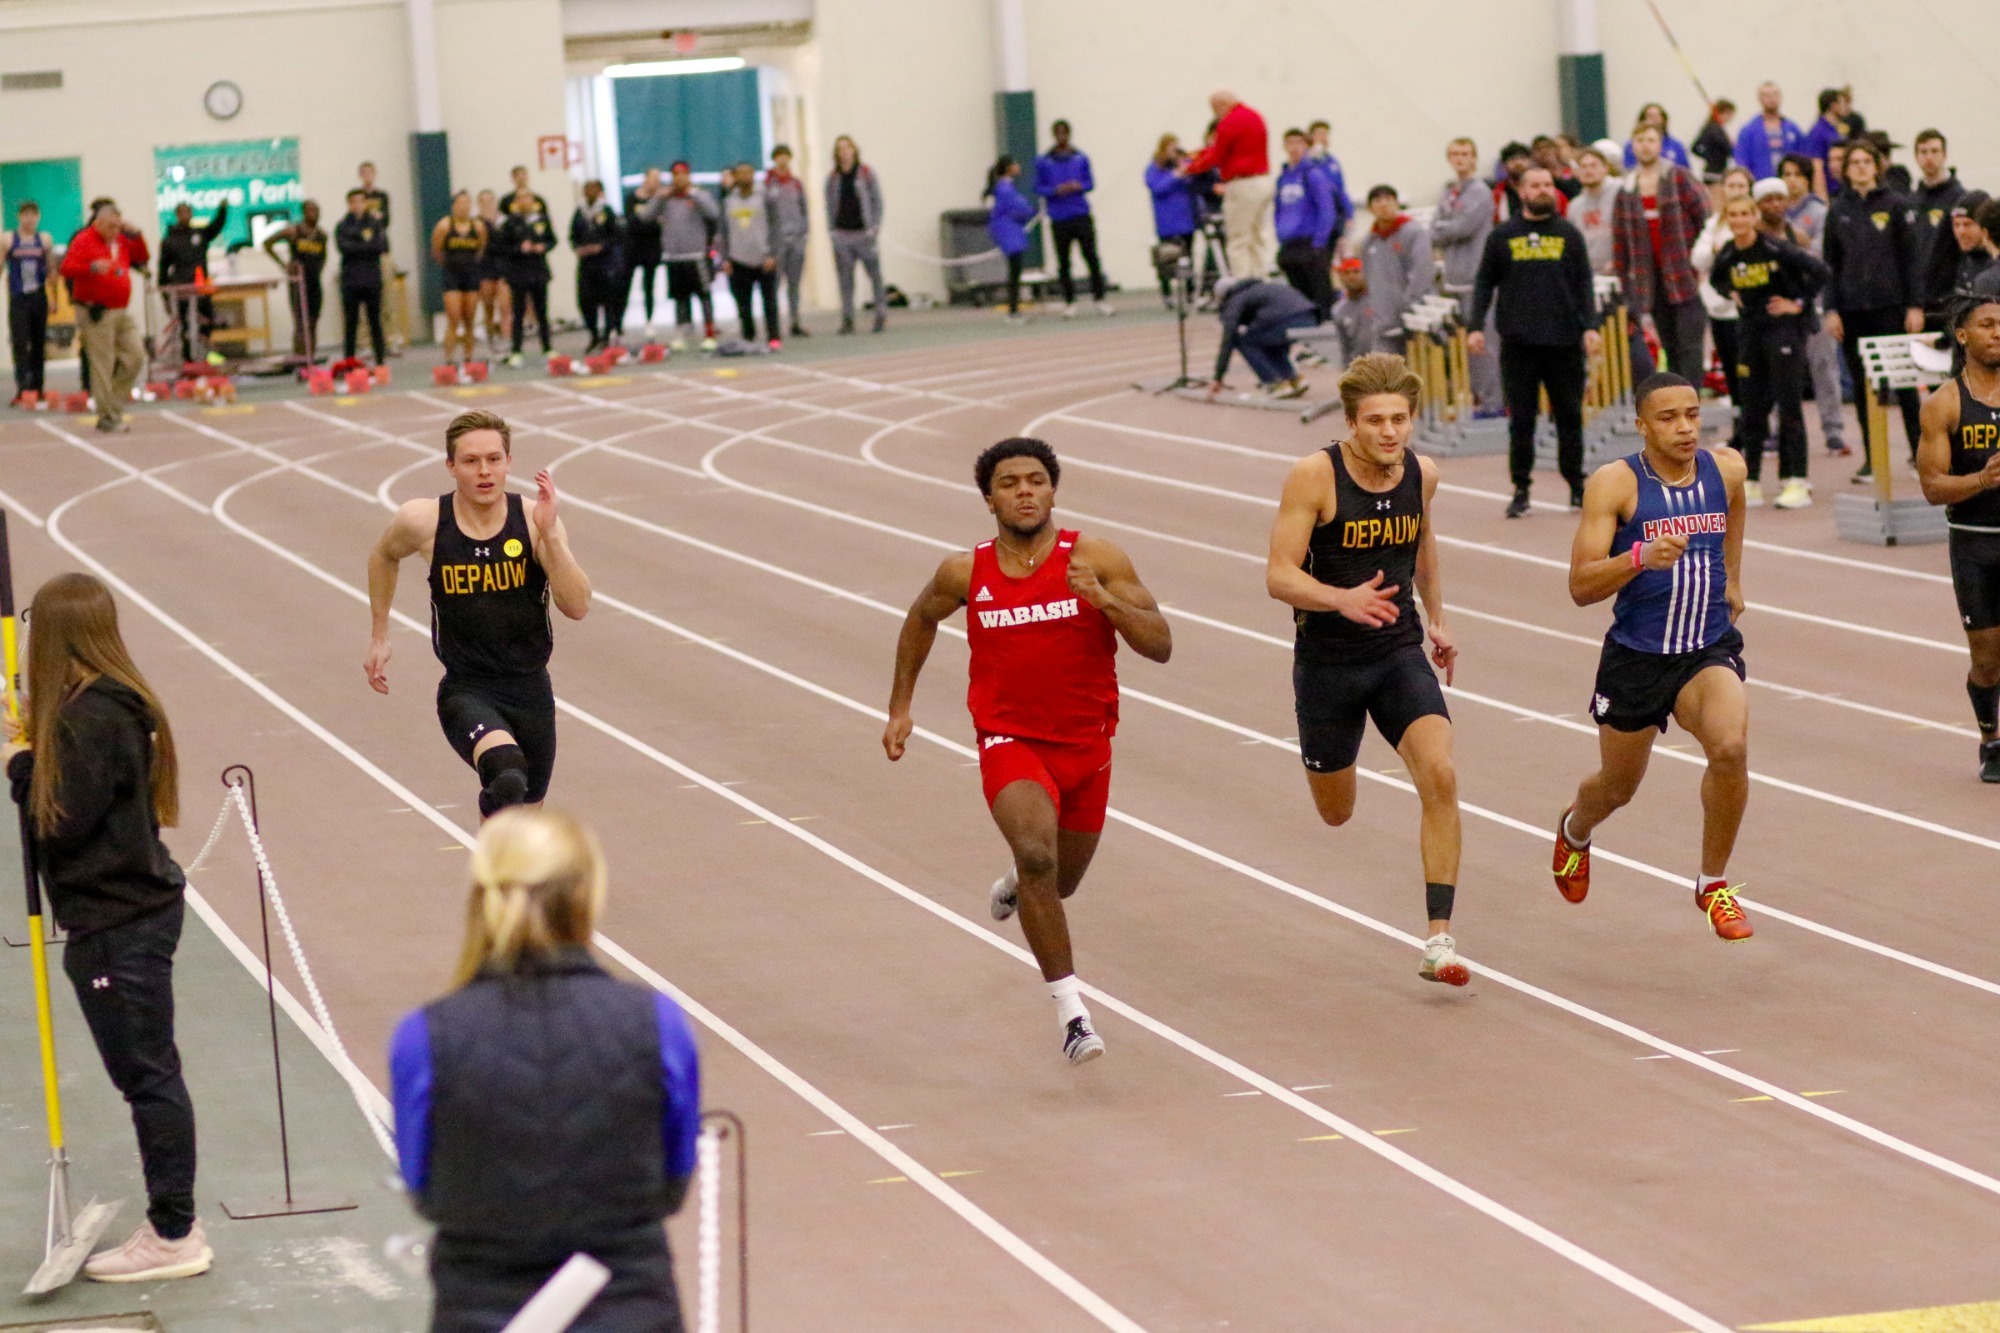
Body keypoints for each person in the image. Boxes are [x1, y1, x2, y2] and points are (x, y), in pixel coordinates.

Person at [882, 438, 1172, 1064]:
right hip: (1009, 741)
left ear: (1053, 490)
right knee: (1039, 852)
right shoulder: (965, 571)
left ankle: (1020, 879)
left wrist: (1106, 601)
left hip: (1088, 746)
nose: (1024, 492)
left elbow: (1161, 643)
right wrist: (900, 706)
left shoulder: (1095, 558)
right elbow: (919, 619)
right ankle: (1073, 1014)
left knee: (1057, 881)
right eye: (1010, 483)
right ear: (989, 499)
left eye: (1036, 480)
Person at [390, 808, 698, 1332]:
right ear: (586, 896)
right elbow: (673, 1179)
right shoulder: (657, 1023)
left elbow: (424, 1187)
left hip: (481, 1309)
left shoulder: (424, 1036)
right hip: (630, 1305)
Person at [3, 573, 210, 1282]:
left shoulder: (94, 718)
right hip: (130, 912)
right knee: (150, 1073)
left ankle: (175, 1232)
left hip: (119, 922)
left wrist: (21, 764)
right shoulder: (108, 705)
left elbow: (57, 822)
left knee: (148, 1077)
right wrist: (36, 739)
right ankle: (175, 1221)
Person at [1264, 353, 1470, 986]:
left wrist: (1436, 619)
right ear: (1351, 424)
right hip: (1328, 662)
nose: (1390, 433)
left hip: (1397, 651)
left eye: (1400, 420)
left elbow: (1423, 545)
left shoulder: (1422, 473)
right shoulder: (1313, 477)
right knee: (1336, 812)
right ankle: (1334, 761)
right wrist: (1340, 599)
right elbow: (1278, 575)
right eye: (1376, 421)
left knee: (1439, 772)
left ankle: (1440, 941)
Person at [1551, 372, 1755, 942]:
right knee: (1617, 788)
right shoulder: (1615, 485)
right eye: (1668, 418)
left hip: (1706, 647)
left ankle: (1713, 885)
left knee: (1731, 746)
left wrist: (1733, 576)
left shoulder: (1726, 467)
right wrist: (1639, 556)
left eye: (1692, 413)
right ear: (1641, 425)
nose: (1686, 427)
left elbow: (1734, 506)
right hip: (1637, 656)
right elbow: (1580, 586)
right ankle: (1574, 830)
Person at [366, 410, 591, 816]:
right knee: (506, 774)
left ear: (509, 463)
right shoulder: (424, 521)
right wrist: (379, 637)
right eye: (470, 461)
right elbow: (384, 555)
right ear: (450, 466)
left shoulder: (534, 522)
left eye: (493, 459)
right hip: (467, 689)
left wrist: (552, 536)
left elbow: (577, 606)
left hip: (531, 690)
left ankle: (493, 873)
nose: (484, 471)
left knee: (523, 816)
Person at [1469, 165, 1601, 516]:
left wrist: (1590, 326)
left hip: (1564, 342)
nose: (1542, 189)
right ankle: (1521, 489)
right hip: (1518, 343)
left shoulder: (1569, 235)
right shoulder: (1503, 236)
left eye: (1547, 184)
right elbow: (1484, 282)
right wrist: (1475, 326)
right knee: (1522, 420)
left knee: (1570, 415)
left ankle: (1576, 486)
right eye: (1535, 184)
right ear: (1522, 191)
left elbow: (1584, 284)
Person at [1915, 294, 2000, 781]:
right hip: (1976, 544)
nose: (1996, 333)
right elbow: (1932, 487)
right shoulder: (1944, 403)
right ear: (1963, 335)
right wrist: (1983, 480)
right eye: (1986, 325)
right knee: (1988, 663)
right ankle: (1991, 738)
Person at [1713, 192, 1830, 509]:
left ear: (1754, 217)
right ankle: (1750, 481)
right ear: (1727, 219)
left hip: (1784, 333)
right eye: (1732, 215)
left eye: (1744, 214)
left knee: (1788, 405)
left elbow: (1820, 272)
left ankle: (1794, 479)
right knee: (1752, 407)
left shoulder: (1775, 247)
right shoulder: (1728, 254)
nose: (1738, 220)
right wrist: (1730, 290)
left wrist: (1798, 304)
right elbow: (1715, 279)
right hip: (1750, 334)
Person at [1823, 139, 1923, 481]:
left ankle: (1919, 455)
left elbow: (1912, 260)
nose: (1862, 167)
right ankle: (1872, 459)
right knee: (1866, 390)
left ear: (1876, 167)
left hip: (1891, 310)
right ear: (1847, 170)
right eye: (1856, 163)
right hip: (1852, 312)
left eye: (1867, 161)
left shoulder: (1896, 204)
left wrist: (1914, 305)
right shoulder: (1838, 209)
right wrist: (1831, 309)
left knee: (1904, 386)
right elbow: (1829, 265)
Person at [1614, 124, 1710, 382]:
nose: (1645, 145)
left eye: (1651, 140)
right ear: (1632, 146)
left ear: (1660, 144)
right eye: (1639, 140)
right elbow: (1620, 240)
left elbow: (1706, 218)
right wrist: (1625, 282)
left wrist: (1704, 264)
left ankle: (1692, 402)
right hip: (1650, 281)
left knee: (1690, 344)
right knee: (1669, 345)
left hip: (1685, 276)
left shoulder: (1679, 177)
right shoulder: (1626, 187)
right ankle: (1677, 401)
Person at [1778, 154, 1850, 458]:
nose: (1792, 179)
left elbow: (1823, 253)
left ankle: (1833, 432)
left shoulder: (1820, 212)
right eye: (1787, 173)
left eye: (1798, 174)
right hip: (1781, 301)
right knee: (1780, 370)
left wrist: (1793, 240)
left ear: (1808, 179)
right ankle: (1779, 433)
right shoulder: (1773, 211)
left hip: (1814, 299)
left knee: (1824, 367)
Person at [59, 199, 149, 433]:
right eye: (110, 226)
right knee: (103, 364)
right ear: (97, 223)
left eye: (118, 226)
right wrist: (90, 268)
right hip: (95, 311)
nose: (114, 231)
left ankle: (114, 405)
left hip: (119, 309)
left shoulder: (120, 240)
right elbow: (66, 268)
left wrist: (137, 234)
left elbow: (142, 257)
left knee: (135, 355)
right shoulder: (84, 239)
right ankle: (107, 415)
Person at [1433, 137, 1501, 410]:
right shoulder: (1449, 193)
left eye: (1464, 153)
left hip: (1477, 280)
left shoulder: (1480, 192)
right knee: (1466, 350)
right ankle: (1480, 399)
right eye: (1454, 154)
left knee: (1484, 345)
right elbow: (1436, 233)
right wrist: (1444, 229)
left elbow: (1461, 227)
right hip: (1454, 281)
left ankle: (1494, 403)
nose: (1459, 158)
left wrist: (1443, 228)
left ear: (1473, 158)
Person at [1179, 90, 1272, 279]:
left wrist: (1189, 169)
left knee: (1238, 240)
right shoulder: (1254, 116)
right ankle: (1262, 278)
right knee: (1257, 236)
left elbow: (1217, 154)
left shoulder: (1229, 122)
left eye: (1214, 109)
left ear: (1222, 104)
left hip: (1242, 185)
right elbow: (1229, 146)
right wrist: (1200, 152)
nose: (1215, 115)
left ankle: (1243, 284)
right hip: (1263, 181)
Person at [1692, 167, 1757, 406]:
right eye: (1731, 186)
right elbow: (1698, 259)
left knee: (1749, 372)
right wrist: (1714, 250)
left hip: (1747, 311)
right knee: (1730, 370)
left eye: (1741, 186)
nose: (1736, 191)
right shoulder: (1712, 224)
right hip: (1718, 309)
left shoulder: (1757, 225)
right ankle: (1739, 424)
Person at [1035, 119, 1112, 318]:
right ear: (1054, 135)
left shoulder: (1081, 158)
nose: (1061, 137)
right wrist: (1055, 190)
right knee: (1064, 262)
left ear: (1069, 134)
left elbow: (1090, 183)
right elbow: (1038, 188)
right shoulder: (1044, 161)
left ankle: (1100, 298)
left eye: (1064, 133)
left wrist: (1078, 186)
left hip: (1080, 214)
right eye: (1058, 133)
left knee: (1091, 257)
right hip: (1059, 218)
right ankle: (1069, 301)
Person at [640, 162, 721, 351]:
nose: (680, 178)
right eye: (676, 174)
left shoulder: (699, 195)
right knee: (679, 297)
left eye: (683, 174)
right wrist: (659, 198)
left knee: (704, 295)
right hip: (674, 256)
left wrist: (693, 194)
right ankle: (682, 333)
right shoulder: (666, 199)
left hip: (696, 255)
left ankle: (709, 332)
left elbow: (714, 213)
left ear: (689, 176)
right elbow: (645, 217)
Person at [1208, 275, 1315, 398]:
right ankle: (1293, 379)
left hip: (1284, 321)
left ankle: (1275, 383)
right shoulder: (1260, 288)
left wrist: (1218, 376)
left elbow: (1228, 338)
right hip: (1309, 317)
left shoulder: (1236, 299)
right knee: (1267, 340)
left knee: (1242, 339)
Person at [1356, 185, 1430, 355]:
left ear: (1397, 204)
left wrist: (1411, 305)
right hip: (1382, 320)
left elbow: (1422, 271)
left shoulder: (1414, 232)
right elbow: (1368, 277)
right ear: (1370, 208)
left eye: (1389, 200)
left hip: (1412, 317)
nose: (1383, 205)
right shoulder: (1369, 241)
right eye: (1378, 201)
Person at [1273, 128, 1337, 321]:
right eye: (1290, 143)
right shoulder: (1283, 177)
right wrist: (1279, 233)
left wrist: (1319, 242)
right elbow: (1278, 209)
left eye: (1299, 143)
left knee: (1320, 293)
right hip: (1289, 243)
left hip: (1310, 242)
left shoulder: (1313, 174)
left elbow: (1327, 209)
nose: (1294, 147)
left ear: (1307, 146)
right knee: (1299, 297)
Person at [825, 136, 886, 334]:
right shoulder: (833, 178)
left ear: (854, 150)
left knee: (875, 276)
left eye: (847, 148)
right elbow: (829, 206)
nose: (844, 152)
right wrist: (832, 231)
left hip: (864, 234)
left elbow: (877, 200)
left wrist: (874, 227)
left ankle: (880, 314)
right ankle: (848, 318)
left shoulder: (866, 174)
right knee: (845, 280)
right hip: (842, 234)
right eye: (840, 149)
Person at [157, 200, 228, 363]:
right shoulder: (169, 240)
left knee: (206, 322)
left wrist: (222, 210)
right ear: (176, 215)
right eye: (181, 212)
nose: (184, 215)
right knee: (185, 326)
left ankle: (208, 358)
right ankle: (188, 359)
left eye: (187, 212)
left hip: (201, 289)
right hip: (181, 290)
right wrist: (165, 296)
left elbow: (215, 227)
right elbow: (163, 269)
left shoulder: (200, 234)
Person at [718, 162, 781, 348]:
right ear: (735, 176)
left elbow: (775, 226)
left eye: (748, 173)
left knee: (769, 301)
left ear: (753, 174)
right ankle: (748, 336)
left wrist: (773, 254)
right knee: (743, 304)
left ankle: (773, 337)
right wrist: (725, 258)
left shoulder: (765, 197)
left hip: (764, 258)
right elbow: (723, 232)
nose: (745, 176)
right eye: (741, 173)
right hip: (738, 258)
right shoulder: (728, 201)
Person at [496, 191, 556, 366]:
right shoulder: (509, 223)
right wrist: (519, 248)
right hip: (518, 273)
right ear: (516, 202)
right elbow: (502, 248)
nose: (526, 201)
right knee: (518, 312)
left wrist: (543, 246)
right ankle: (516, 350)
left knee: (542, 312)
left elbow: (552, 240)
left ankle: (547, 348)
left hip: (539, 271)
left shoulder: (542, 220)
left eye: (529, 198)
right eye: (522, 199)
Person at [264, 200, 328, 361]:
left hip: (314, 281)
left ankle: (311, 358)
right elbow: (267, 243)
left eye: (316, 210)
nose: (314, 214)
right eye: (310, 210)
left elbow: (323, 257)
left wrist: (319, 269)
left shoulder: (322, 235)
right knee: (301, 322)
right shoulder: (293, 231)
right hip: (298, 282)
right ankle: (299, 359)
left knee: (313, 321)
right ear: (304, 212)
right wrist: (284, 265)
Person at [431, 192, 487, 368]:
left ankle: (469, 358)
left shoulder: (477, 227)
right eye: (460, 203)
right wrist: (449, 264)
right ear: (454, 206)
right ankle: (449, 359)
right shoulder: (444, 226)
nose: (464, 207)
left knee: (469, 319)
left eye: (467, 203)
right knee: (454, 318)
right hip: (452, 276)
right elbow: (437, 251)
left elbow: (480, 250)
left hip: (471, 275)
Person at [570, 179, 626, 354]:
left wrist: (601, 246)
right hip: (586, 264)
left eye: (593, 189)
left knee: (608, 301)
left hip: (605, 263)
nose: (589, 193)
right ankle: (593, 334)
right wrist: (578, 248)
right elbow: (572, 235)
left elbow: (617, 236)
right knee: (586, 301)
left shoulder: (607, 211)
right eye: (587, 189)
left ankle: (608, 334)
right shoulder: (579, 212)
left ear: (600, 192)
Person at [3, 200, 52, 402]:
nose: (30, 219)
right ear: (19, 217)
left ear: (38, 217)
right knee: (20, 342)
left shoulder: (44, 239)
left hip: (39, 296)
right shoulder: (8, 239)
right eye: (26, 215)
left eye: (34, 215)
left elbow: (51, 270)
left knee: (39, 342)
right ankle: (22, 386)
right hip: (18, 297)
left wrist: (54, 298)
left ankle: (38, 387)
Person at [335, 188, 389, 366]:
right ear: (349, 204)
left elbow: (381, 246)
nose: (358, 205)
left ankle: (380, 362)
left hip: (372, 279)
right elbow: (345, 248)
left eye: (361, 201)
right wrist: (365, 244)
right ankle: (349, 362)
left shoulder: (375, 224)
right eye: (354, 202)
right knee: (351, 324)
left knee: (375, 322)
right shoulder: (342, 226)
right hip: (351, 281)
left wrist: (359, 244)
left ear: (365, 203)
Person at [1145, 134, 1198, 308]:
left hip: (1186, 220)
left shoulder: (1183, 163)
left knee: (1188, 257)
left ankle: (1190, 291)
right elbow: (1156, 187)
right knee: (1166, 260)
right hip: (1167, 223)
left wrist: (1185, 167)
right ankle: (1167, 293)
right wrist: (1175, 175)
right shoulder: (1154, 169)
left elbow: (1194, 179)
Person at [1924, 191, 1995, 316]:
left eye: (1968, 224)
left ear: (1985, 227)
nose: (1961, 232)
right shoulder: (1954, 260)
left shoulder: (1995, 265)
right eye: (1956, 225)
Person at [985, 155, 1037, 321]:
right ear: (1008, 168)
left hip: (1010, 229)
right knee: (1014, 271)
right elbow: (1019, 207)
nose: (1018, 166)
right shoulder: (1005, 188)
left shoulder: (1005, 187)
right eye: (1015, 164)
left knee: (1015, 270)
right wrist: (1031, 210)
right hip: (1007, 230)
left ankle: (1014, 308)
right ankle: (1013, 310)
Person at [766, 146, 811, 338]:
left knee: (794, 283)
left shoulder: (796, 184)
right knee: (773, 285)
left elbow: (804, 210)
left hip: (796, 240)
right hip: (777, 243)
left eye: (785, 156)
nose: (782, 160)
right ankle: (773, 324)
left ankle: (795, 321)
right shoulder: (767, 185)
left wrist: (803, 234)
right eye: (779, 157)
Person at [1910, 129, 1966, 284]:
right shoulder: (1911, 200)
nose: (1929, 157)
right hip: (1918, 292)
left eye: (1934, 151)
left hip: (1947, 292)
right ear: (1916, 156)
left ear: (1945, 155)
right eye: (1923, 152)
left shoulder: (1959, 198)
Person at [1734, 83, 1805, 184]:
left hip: (1789, 185)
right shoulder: (1748, 131)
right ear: (1759, 99)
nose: (1771, 99)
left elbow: (1802, 158)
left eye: (1774, 95)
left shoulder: (1793, 129)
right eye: (1766, 95)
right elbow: (1741, 162)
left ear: (1780, 97)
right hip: (1759, 185)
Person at [624, 168, 665, 337]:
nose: (655, 183)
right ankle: (619, 323)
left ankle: (649, 320)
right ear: (645, 179)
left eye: (658, 179)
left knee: (649, 286)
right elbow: (631, 223)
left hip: (652, 248)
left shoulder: (660, 200)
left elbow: (662, 223)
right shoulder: (632, 199)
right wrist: (652, 223)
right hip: (634, 247)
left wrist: (649, 224)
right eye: (652, 179)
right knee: (625, 284)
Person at [1571, 142, 1621, 275]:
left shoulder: (1621, 193)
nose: (1588, 171)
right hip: (1590, 274)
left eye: (1593, 165)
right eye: (1583, 167)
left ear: (1605, 168)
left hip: (1618, 269)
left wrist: (1618, 261)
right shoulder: (1575, 206)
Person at [474, 190, 511, 355]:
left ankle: (508, 342)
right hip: (485, 268)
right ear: (479, 203)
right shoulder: (477, 223)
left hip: (502, 267)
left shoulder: (504, 221)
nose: (488, 203)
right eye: (484, 201)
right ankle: (491, 341)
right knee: (488, 307)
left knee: (505, 307)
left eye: (491, 200)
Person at [1623, 103, 1692, 171]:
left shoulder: (1677, 145)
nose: (1646, 145)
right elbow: (1627, 168)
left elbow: (1685, 169)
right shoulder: (1630, 146)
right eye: (1650, 116)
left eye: (1651, 140)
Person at [1691, 99, 1736, 181]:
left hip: (1712, 169)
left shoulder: (1709, 127)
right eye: (1729, 114)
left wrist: (1708, 157)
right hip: (1716, 172)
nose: (1731, 118)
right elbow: (1728, 150)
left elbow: (1695, 148)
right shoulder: (1715, 129)